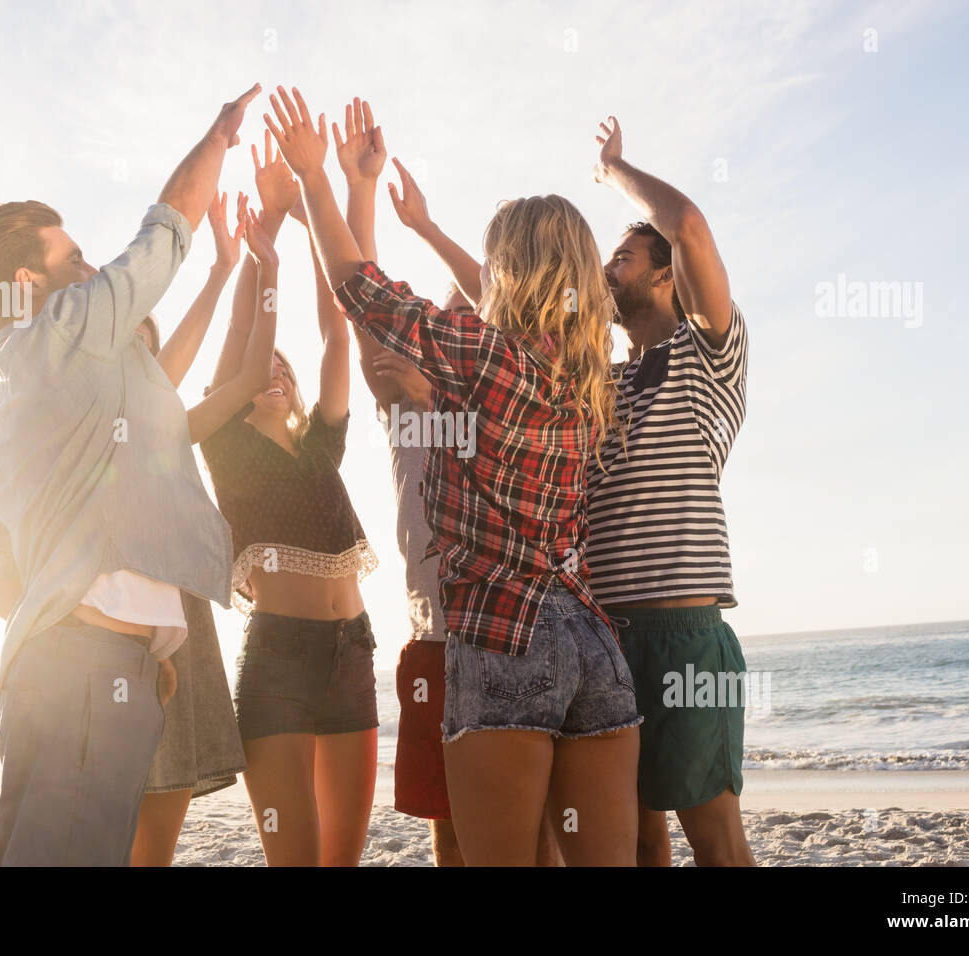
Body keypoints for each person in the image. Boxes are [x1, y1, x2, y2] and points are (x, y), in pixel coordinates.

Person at [266, 86, 639, 866]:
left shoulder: (485, 357)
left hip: (502, 636)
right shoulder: (589, 371)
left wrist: (315, 177)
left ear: (508, 270)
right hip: (592, 641)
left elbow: (361, 291)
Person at [0, 83, 264, 866]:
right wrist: (218, 140)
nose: (92, 267)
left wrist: (151, 649)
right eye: (73, 256)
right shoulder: (55, 335)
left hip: (101, 669)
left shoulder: (58, 373)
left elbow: (158, 387)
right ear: (30, 283)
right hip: (82, 673)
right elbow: (163, 232)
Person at [333, 99, 562, 866]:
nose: (459, 321)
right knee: (449, 831)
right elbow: (366, 301)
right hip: (437, 638)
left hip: (518, 633)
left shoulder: (513, 392)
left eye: (473, 314)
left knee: (535, 836)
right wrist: (358, 189)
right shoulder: (404, 401)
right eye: (451, 318)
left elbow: (513, 307)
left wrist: (429, 229)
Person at [197, 133, 380, 867]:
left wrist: (311, 204)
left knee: (345, 860)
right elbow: (245, 327)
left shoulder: (320, 447)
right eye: (257, 366)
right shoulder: (226, 449)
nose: (271, 366)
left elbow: (339, 330)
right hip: (277, 664)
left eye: (282, 364)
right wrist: (260, 240)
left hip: (355, 656)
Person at [587, 115, 755, 866]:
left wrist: (614, 169)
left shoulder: (709, 354)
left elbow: (686, 223)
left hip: (686, 640)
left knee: (716, 844)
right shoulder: (596, 384)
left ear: (663, 273)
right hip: (602, 642)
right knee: (636, 843)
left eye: (621, 257)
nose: (606, 269)